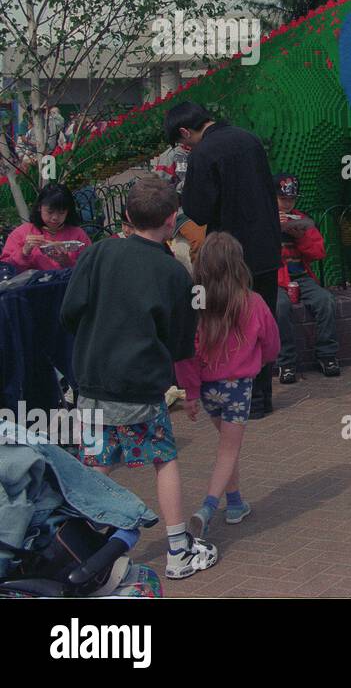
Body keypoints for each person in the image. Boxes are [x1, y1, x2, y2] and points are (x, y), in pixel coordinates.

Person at [59, 175, 218, 579]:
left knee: (96, 465)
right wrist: (192, 393)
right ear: (171, 220)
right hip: (141, 386)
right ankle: (178, 551)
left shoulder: (97, 255)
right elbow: (182, 345)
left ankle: (82, 551)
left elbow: (69, 312)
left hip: (92, 381)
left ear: (127, 215)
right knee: (163, 460)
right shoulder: (174, 274)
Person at [166, 101, 281, 419]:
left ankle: (238, 399)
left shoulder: (203, 153)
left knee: (236, 324)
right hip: (267, 247)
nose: (183, 146)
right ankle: (261, 399)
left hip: (230, 256)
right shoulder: (249, 139)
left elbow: (199, 210)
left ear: (186, 132)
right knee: (261, 318)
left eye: (180, 141)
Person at [175, 232, 280, 537]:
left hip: (208, 387)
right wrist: (259, 362)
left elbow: (186, 354)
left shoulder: (197, 303)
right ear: (238, 265)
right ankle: (207, 508)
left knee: (226, 447)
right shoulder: (253, 301)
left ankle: (234, 503)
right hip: (238, 386)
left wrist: (191, 394)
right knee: (228, 449)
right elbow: (272, 344)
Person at [271, 173, 341, 382]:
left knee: (325, 301)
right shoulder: (264, 218)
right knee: (280, 307)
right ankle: (287, 362)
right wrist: (274, 227)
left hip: (301, 276)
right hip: (277, 279)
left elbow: (318, 253)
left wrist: (300, 236)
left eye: (291, 199)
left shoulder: (301, 218)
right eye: (283, 199)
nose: (287, 204)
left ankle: (327, 355)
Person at [1, 182, 91, 271]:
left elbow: (91, 267)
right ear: (40, 207)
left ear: (68, 212)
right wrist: (24, 252)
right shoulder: (22, 233)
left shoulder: (78, 234)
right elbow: (4, 268)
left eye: (61, 213)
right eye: (50, 212)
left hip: (68, 285)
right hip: (32, 285)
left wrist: (67, 262)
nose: (55, 218)